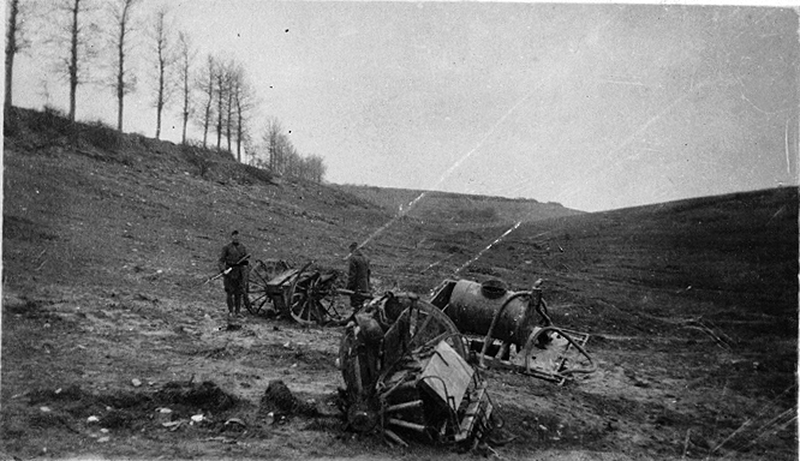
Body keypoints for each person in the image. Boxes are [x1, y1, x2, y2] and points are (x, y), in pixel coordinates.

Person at [218, 230, 249, 317]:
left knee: (238, 293)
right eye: (234, 236)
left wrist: (243, 264)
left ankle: (238, 312)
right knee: (229, 293)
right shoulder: (227, 247)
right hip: (229, 273)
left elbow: (246, 262)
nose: (236, 238)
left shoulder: (243, 247)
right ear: (232, 237)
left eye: (238, 237)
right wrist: (223, 270)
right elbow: (221, 261)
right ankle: (231, 311)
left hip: (239, 273)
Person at [346, 241, 371, 310]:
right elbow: (368, 273)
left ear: (353, 249)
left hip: (357, 287)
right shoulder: (366, 259)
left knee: (355, 307)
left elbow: (352, 275)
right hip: (365, 287)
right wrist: (368, 287)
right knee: (361, 307)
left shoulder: (353, 259)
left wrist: (349, 287)